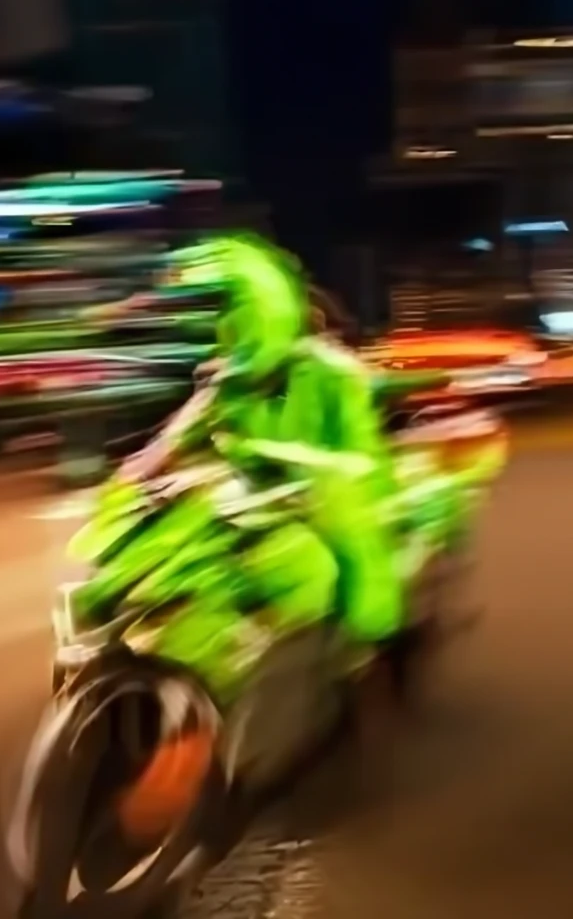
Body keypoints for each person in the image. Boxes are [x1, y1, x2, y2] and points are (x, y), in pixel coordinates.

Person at [156, 232, 404, 654]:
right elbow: (185, 434)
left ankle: (348, 650)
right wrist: (155, 468)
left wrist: (287, 462)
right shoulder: (231, 380)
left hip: (327, 497)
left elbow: (359, 460)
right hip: (260, 499)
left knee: (331, 568)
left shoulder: (337, 377)